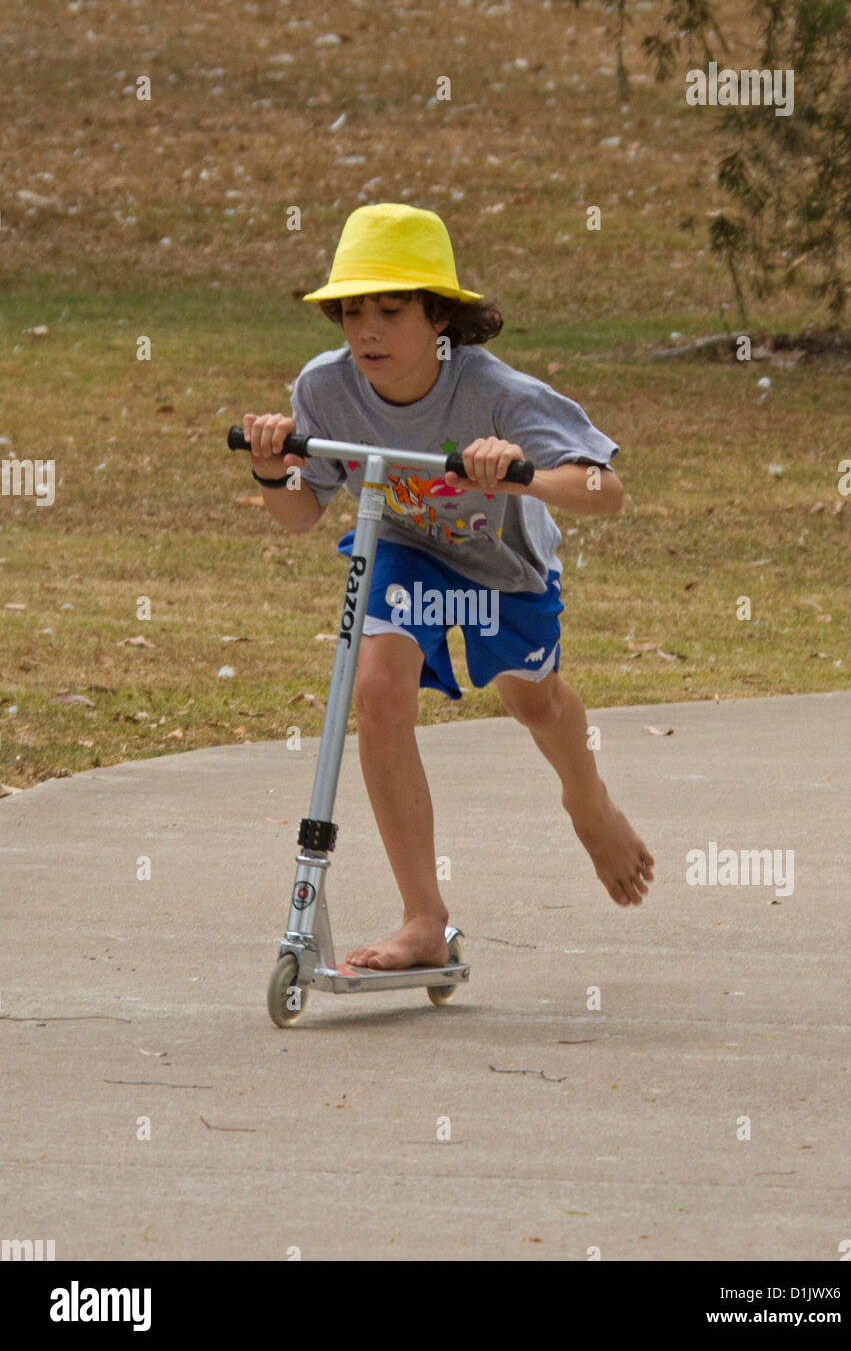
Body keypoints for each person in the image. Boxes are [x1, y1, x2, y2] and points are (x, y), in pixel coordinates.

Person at [243, 203, 654, 970]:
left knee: (530, 699)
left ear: (440, 317)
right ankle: (423, 919)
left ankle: (588, 802)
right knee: (379, 691)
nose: (366, 330)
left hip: (501, 565)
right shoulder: (325, 389)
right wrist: (271, 468)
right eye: (351, 311)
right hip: (400, 549)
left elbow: (606, 488)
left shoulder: (496, 392)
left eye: (390, 310)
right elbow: (298, 515)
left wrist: (521, 475)